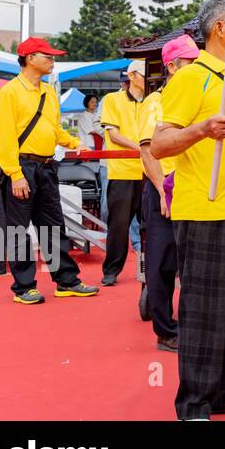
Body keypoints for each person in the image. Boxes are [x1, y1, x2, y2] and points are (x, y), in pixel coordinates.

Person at [150, 0, 225, 419]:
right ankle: (194, 402)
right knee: (205, 309)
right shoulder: (191, 78)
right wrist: (201, 130)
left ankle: (223, 389)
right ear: (221, 29)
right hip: (205, 210)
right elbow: (161, 142)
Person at [0, 37, 99, 305]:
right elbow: (3, 137)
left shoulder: (48, 92)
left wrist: (74, 142)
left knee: (53, 226)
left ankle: (66, 281)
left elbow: (54, 129)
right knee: (19, 230)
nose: (53, 60)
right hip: (22, 166)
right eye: (48, 56)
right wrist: (15, 174)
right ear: (30, 58)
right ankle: (24, 286)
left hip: (46, 166)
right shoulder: (9, 92)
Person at [137, 34, 198, 353]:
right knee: (162, 263)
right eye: (189, 62)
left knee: (191, 260)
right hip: (165, 187)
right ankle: (165, 329)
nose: (194, 66)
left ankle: (191, 324)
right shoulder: (155, 102)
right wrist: (163, 191)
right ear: (172, 66)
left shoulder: (194, 98)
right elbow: (147, 152)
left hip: (192, 186)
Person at [98, 59, 152, 286]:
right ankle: (111, 270)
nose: (146, 78)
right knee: (119, 226)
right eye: (142, 74)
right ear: (131, 76)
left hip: (149, 170)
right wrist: (141, 147)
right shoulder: (113, 99)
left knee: (152, 225)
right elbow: (113, 135)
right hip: (123, 172)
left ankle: (154, 268)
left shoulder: (153, 101)